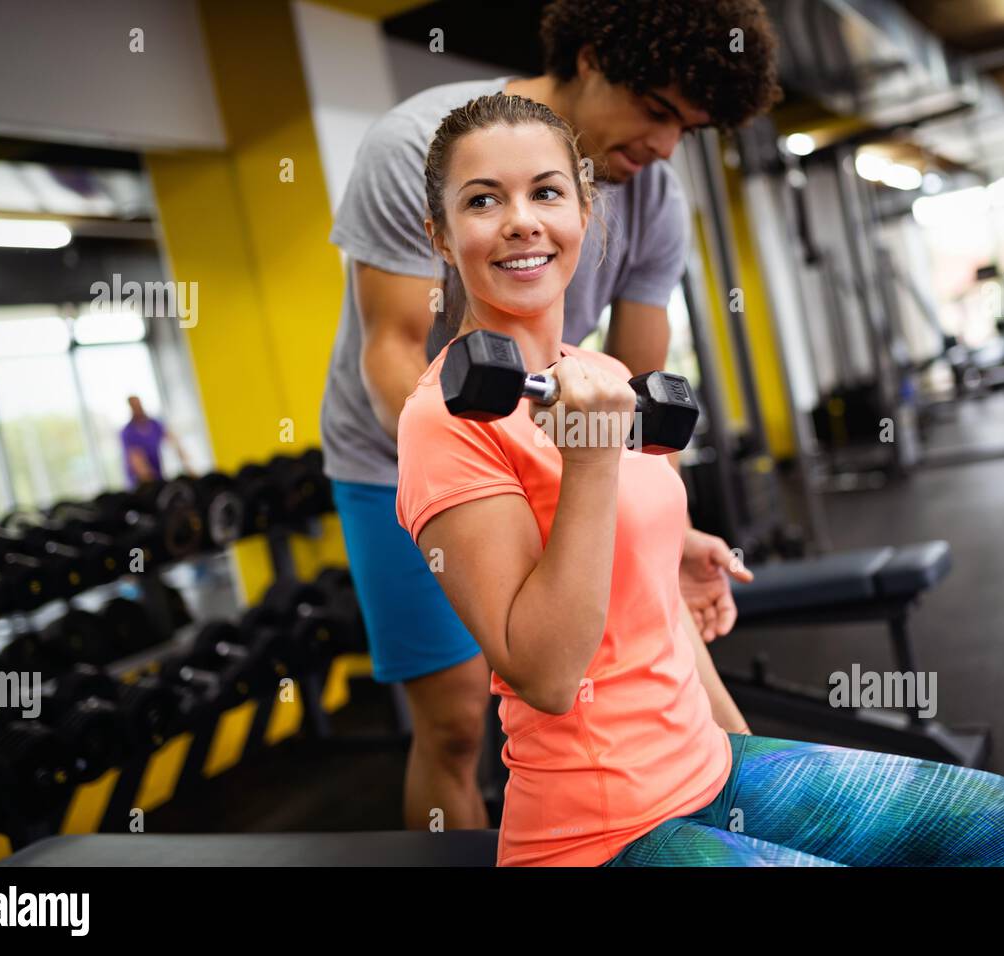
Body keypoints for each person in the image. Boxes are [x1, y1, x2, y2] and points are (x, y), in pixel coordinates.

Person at [395, 92, 1004, 867]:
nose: (521, 219)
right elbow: (546, 675)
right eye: (484, 200)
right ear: (441, 236)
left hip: (705, 768)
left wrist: (747, 756)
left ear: (585, 212)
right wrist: (590, 461)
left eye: (546, 192)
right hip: (602, 832)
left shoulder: (602, 374)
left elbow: (656, 608)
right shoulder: (445, 422)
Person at [320, 0, 781, 829]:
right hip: (397, 450)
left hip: (559, 439)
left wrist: (658, 530)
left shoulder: (652, 196)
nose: (666, 146)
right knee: (459, 722)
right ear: (595, 58)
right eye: (657, 112)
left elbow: (643, 395)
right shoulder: (415, 146)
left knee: (593, 666)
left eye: (690, 128)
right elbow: (389, 349)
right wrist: (484, 473)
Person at [120, 396, 192, 487]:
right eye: (135, 406)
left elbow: (173, 441)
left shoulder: (155, 424)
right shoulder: (127, 432)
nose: (138, 408)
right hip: (141, 483)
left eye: (139, 405)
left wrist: (187, 464)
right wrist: (150, 480)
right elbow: (137, 460)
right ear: (131, 408)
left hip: (157, 477)